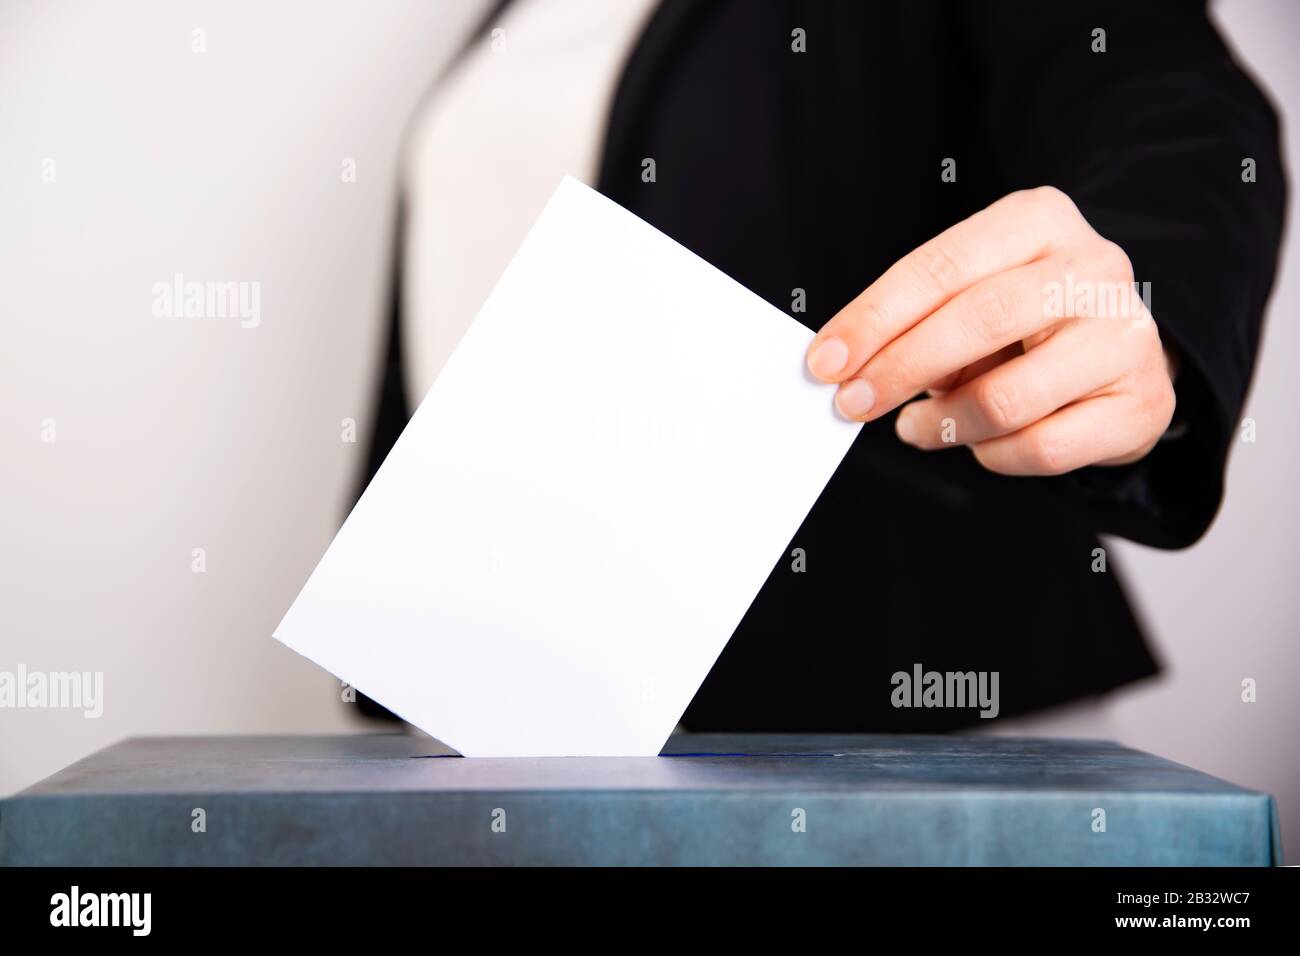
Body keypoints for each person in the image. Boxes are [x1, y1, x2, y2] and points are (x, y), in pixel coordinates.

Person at [356, 0, 1285, 734]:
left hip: (886, 708)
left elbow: (1165, 100)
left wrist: (1143, 306)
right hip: (510, 688)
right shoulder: (509, 14)